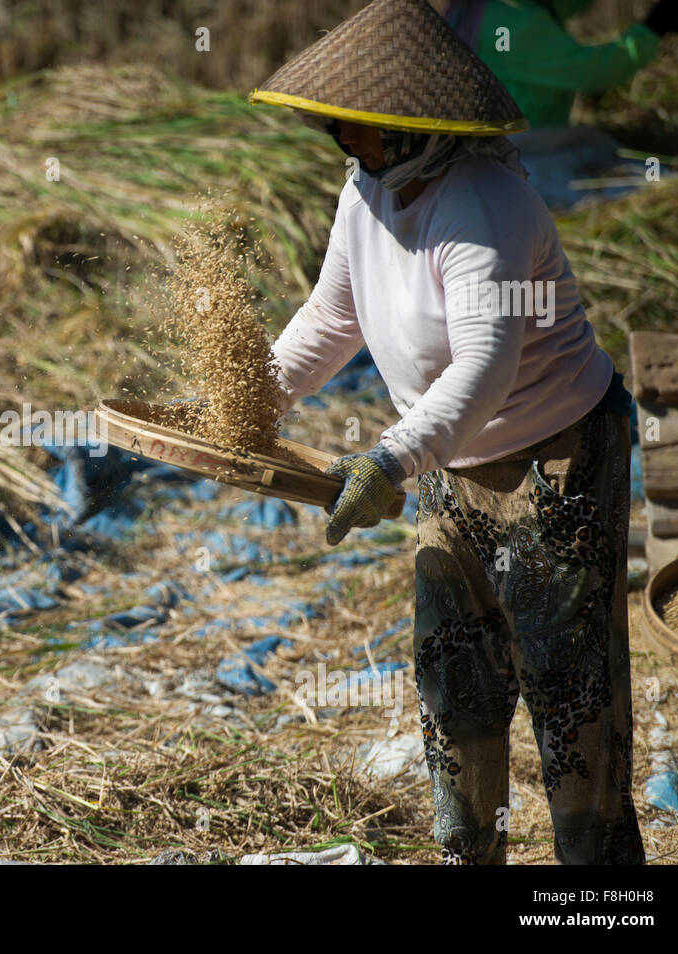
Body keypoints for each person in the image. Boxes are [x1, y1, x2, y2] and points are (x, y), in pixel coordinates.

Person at [250, 0, 644, 864]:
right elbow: (331, 315)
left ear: (417, 127)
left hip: (556, 464)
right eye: (339, 131)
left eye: (361, 131)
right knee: (454, 690)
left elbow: (485, 366)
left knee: (570, 705)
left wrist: (389, 458)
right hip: (449, 463)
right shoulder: (367, 194)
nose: (345, 144)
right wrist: (251, 402)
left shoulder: (486, 206)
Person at [439, 0, 678, 208]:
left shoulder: (477, 9)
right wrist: (653, 30)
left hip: (488, 150)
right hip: (523, 153)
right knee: (639, 182)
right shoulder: (512, 23)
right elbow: (594, 71)